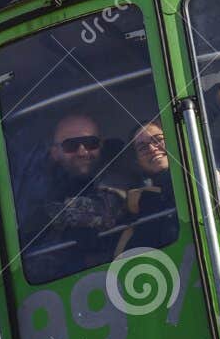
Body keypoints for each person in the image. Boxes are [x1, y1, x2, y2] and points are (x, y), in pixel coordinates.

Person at [25, 112, 124, 276]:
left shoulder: (120, 173)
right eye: (71, 145)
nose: (82, 152)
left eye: (91, 143)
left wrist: (49, 214)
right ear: (54, 153)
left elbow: (106, 212)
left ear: (101, 145)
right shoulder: (42, 188)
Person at [114, 120, 178, 251]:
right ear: (137, 161)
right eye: (142, 147)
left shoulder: (203, 171)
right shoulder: (137, 201)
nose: (152, 148)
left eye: (158, 140)